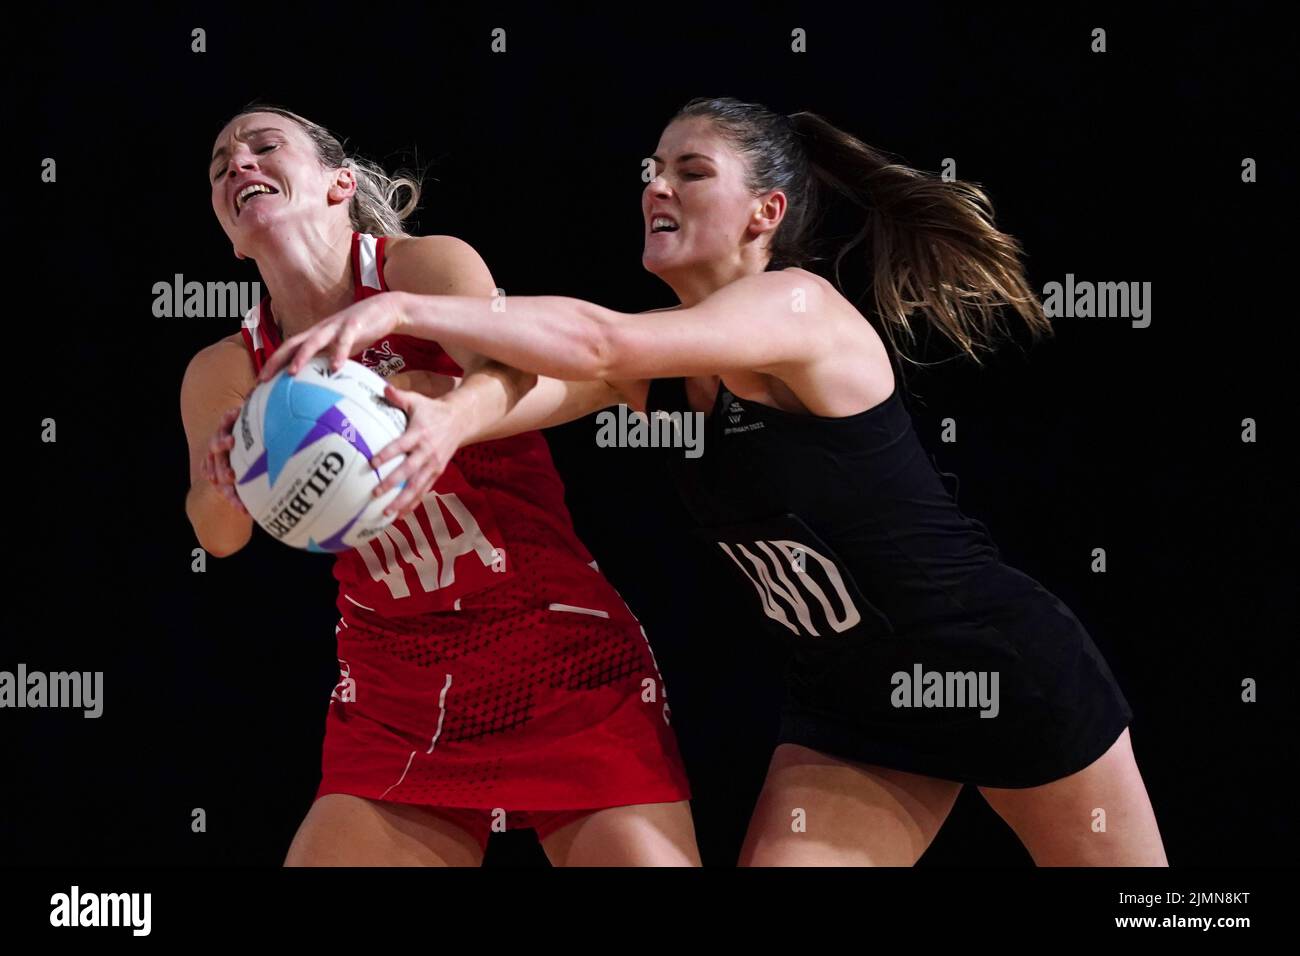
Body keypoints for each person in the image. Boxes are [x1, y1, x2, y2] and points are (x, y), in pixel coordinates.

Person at [264, 97, 1168, 866]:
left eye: (690, 172)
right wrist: (427, 409)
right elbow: (534, 387)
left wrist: (403, 300)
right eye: (652, 169)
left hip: (995, 667)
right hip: (851, 701)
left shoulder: (799, 309)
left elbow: (601, 340)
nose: (655, 185)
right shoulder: (667, 361)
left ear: (764, 212)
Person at [182, 104, 699, 867]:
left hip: (556, 650)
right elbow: (217, 538)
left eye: (264, 147)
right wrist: (225, 483)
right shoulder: (226, 367)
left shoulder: (418, 268)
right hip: (396, 685)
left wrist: (446, 417)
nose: (239, 166)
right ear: (229, 235)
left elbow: (512, 368)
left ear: (338, 183)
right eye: (222, 166)